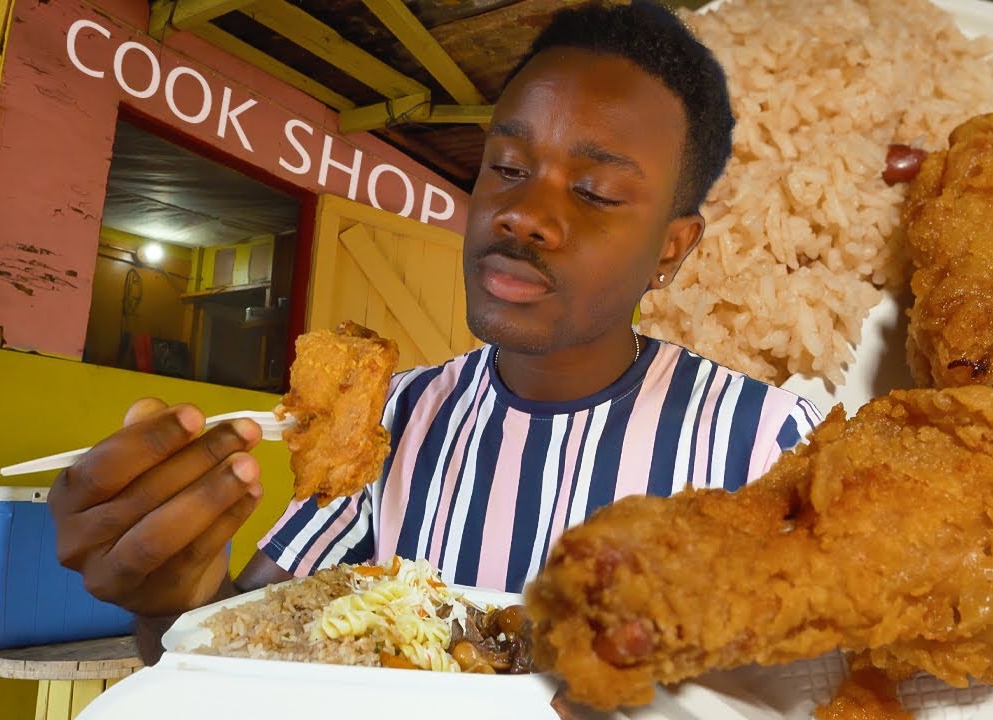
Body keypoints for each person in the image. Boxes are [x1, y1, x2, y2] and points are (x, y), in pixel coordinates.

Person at [48, 0, 822, 666]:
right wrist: (165, 606)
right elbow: (242, 641)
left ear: (670, 248)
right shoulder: (392, 418)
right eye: (507, 167)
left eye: (594, 190)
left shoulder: (770, 445)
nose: (521, 213)